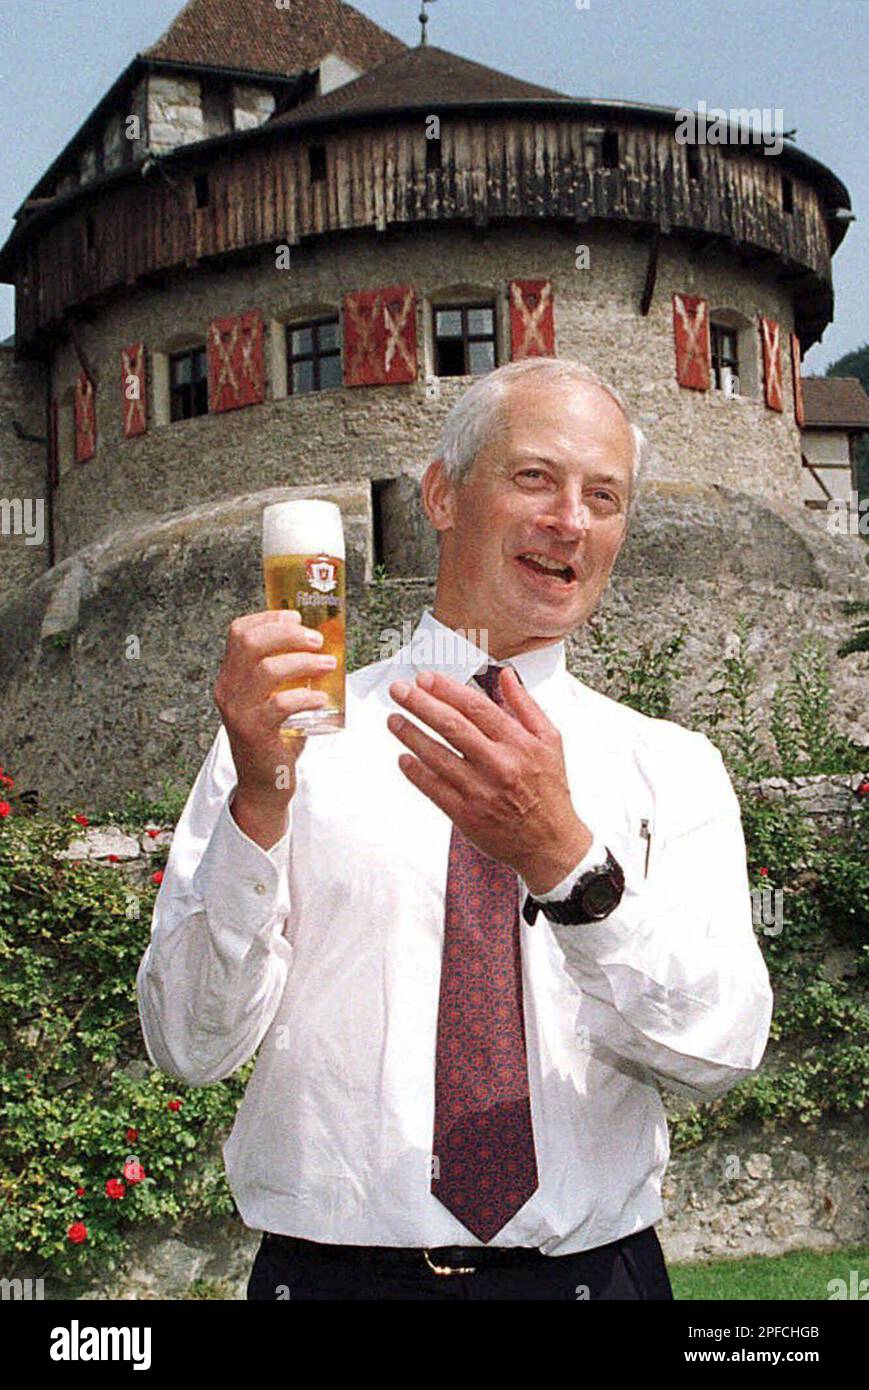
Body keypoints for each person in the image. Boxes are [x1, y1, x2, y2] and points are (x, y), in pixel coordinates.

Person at [136, 357, 773, 1301]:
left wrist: (567, 864)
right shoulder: (282, 738)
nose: (570, 520)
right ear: (439, 494)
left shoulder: (671, 766)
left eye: (604, 496)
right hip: (329, 1282)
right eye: (534, 478)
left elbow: (721, 1048)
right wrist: (260, 805)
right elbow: (188, 1046)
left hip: (588, 1280)